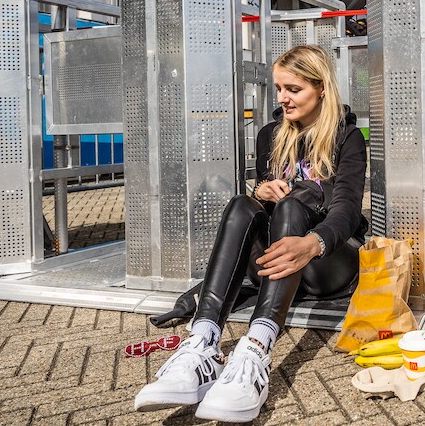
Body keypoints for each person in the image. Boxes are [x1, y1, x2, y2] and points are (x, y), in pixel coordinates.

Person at [134, 44, 367, 423]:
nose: (283, 98)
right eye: (278, 89)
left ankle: (257, 346)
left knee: (294, 205)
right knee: (242, 204)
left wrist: (311, 242)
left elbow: (347, 210)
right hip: (279, 264)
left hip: (327, 263)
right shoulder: (270, 134)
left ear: (321, 86)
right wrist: (261, 191)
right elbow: (262, 203)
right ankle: (203, 342)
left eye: (293, 89)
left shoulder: (347, 137)